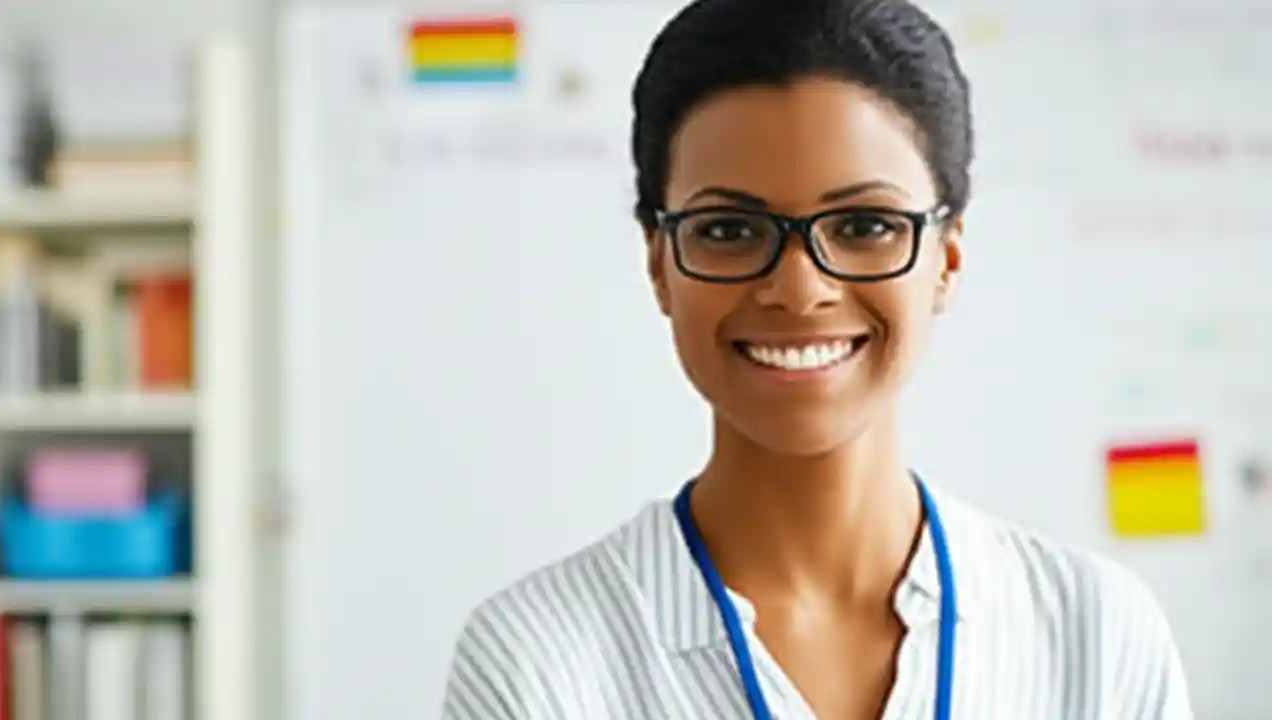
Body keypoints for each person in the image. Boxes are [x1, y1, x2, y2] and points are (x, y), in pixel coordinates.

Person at [440, 0, 1193, 717]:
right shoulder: (536, 662)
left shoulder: (1097, 635)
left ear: (947, 259)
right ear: (658, 264)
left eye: (865, 224)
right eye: (729, 230)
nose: (798, 290)